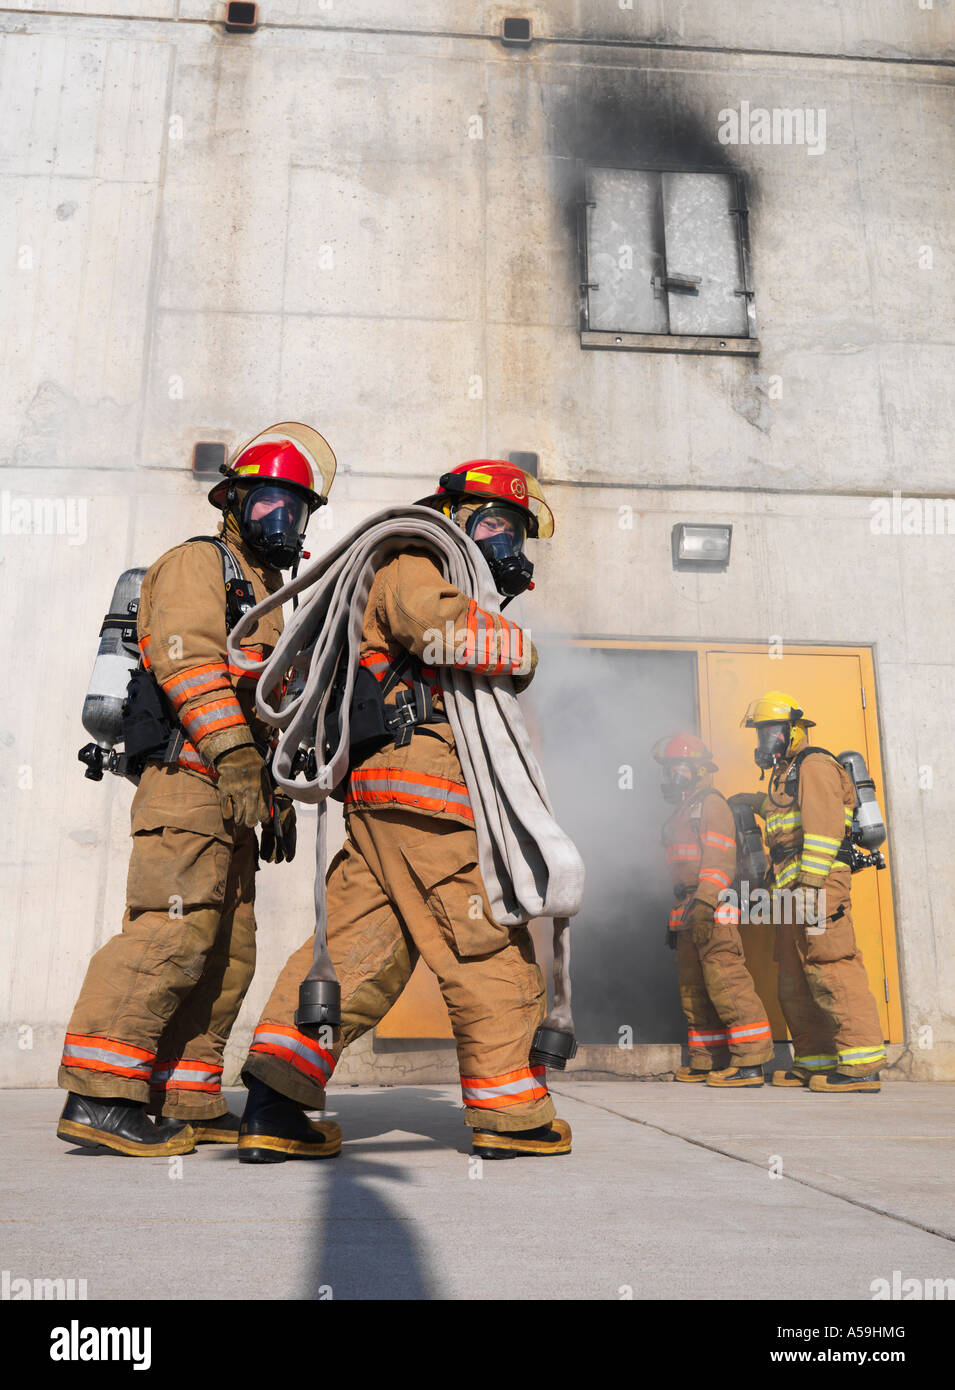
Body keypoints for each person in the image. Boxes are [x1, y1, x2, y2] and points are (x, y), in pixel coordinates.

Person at [237, 460, 573, 1162]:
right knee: (483, 944)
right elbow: (435, 627)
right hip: (425, 791)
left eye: (512, 531)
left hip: (390, 796)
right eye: (490, 524)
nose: (502, 543)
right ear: (448, 515)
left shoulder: (413, 565)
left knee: (356, 955)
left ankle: (276, 1104)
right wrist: (522, 649)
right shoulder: (413, 555)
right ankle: (511, 1117)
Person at [56, 424, 336, 1156]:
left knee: (228, 947)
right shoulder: (197, 563)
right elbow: (188, 667)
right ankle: (99, 1095)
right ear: (234, 502)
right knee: (170, 932)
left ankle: (187, 1091)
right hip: (189, 781)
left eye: (296, 511)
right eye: (271, 504)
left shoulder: (267, 588)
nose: (285, 522)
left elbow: (271, 698)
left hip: (236, 794)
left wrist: (271, 790)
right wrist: (238, 760)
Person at [739, 690, 886, 1092]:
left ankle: (861, 1065)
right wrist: (750, 801)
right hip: (790, 889)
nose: (763, 740)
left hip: (818, 884)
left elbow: (823, 832)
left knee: (830, 964)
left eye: (770, 730)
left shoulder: (815, 764)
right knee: (794, 972)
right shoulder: (785, 773)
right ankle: (814, 1059)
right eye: (759, 732)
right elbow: (781, 816)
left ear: (793, 729)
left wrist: (810, 885)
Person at [654, 734, 774, 1087]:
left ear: (697, 769)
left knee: (727, 984)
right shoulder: (684, 808)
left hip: (713, 908)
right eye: (666, 769)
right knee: (695, 989)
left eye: (674, 767)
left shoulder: (711, 804)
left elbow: (721, 861)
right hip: (688, 909)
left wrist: (706, 904)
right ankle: (707, 1059)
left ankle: (750, 1061)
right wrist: (679, 917)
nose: (669, 775)